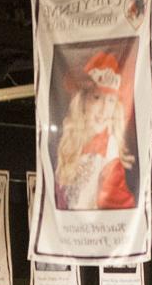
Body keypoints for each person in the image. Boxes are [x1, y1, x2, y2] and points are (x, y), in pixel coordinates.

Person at [53, 49, 136, 211]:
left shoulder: (108, 151)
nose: (104, 109)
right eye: (97, 97)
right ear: (82, 101)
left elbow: (119, 208)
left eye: (111, 100)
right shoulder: (71, 145)